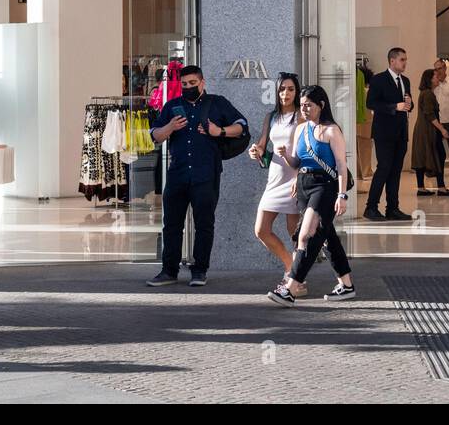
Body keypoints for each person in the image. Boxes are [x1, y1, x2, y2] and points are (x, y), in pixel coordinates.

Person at [146, 65, 248, 287]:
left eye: (193, 83)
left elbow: (242, 126)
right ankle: (168, 271)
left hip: (206, 174)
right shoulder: (172, 106)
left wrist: (218, 131)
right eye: (184, 84)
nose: (189, 87)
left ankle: (199, 270)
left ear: (202, 83)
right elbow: (155, 136)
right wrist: (171, 127)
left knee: (204, 224)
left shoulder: (217, 103)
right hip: (178, 175)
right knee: (171, 224)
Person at [267, 86, 356, 305]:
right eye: (302, 105)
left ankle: (291, 286)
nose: (304, 109)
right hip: (304, 185)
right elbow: (298, 162)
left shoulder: (331, 130)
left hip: (325, 186)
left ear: (321, 105)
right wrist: (286, 156)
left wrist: (342, 195)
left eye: (309, 105)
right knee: (327, 239)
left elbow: (342, 166)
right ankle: (346, 284)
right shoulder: (301, 129)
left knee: (305, 236)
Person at [248, 72, 303, 285]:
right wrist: (256, 151)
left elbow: (304, 150)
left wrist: (299, 179)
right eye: (282, 89)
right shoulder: (270, 117)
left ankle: (298, 279)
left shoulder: (300, 116)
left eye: (290, 89)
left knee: (295, 233)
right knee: (261, 230)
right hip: (274, 178)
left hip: (294, 178)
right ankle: (290, 266)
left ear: (296, 92)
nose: (285, 93)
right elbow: (262, 144)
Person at [363, 47, 413, 222]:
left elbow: (408, 105)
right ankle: (370, 207)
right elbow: (371, 103)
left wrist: (409, 104)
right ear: (392, 61)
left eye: (405, 60)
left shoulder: (405, 81)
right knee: (383, 169)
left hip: (401, 132)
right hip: (384, 132)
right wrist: (394, 107)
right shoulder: (379, 80)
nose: (405, 63)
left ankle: (393, 208)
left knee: (396, 171)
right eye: (402, 60)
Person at [411, 69, 449, 196]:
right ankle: (440, 187)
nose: (437, 78)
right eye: (435, 76)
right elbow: (430, 115)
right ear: (429, 79)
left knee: (423, 156)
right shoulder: (428, 94)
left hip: (424, 129)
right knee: (439, 155)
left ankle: (422, 188)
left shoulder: (426, 93)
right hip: (427, 130)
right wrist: (442, 129)